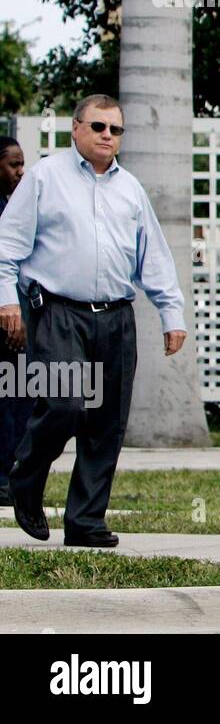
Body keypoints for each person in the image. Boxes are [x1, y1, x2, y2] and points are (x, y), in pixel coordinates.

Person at [0, 95, 186, 546]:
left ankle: (85, 521)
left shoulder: (131, 190)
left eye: (115, 130)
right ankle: (25, 478)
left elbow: (154, 256)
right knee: (64, 406)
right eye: (99, 127)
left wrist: (170, 312)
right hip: (59, 312)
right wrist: (7, 302)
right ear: (76, 129)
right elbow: (8, 245)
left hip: (117, 317)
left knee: (106, 422)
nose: (107, 136)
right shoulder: (44, 177)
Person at [0, 136, 30, 509]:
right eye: (13, 165)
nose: (21, 172)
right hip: (7, 320)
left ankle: (13, 477)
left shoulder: (16, 208)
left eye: (22, 165)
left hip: (19, 320)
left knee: (19, 398)